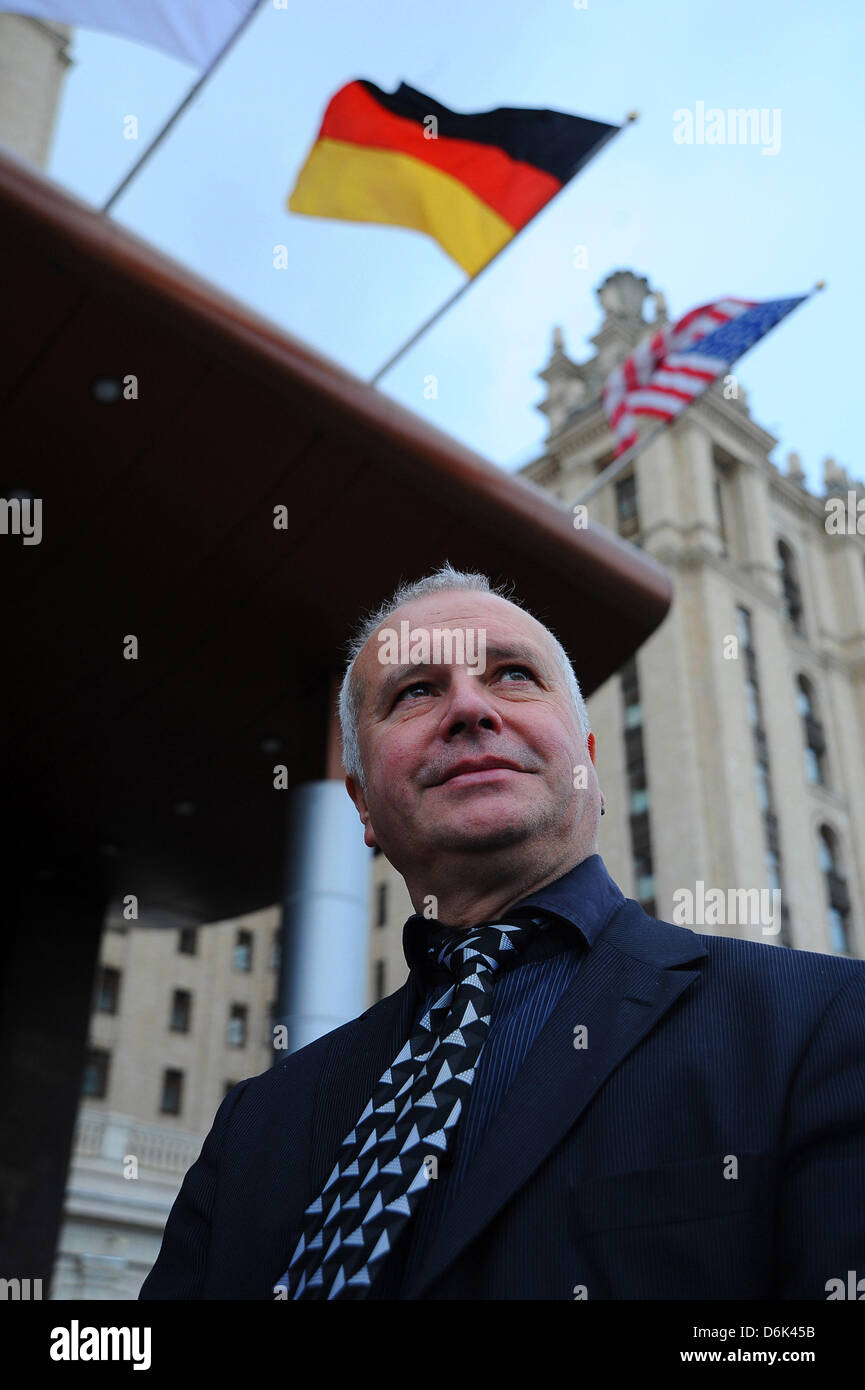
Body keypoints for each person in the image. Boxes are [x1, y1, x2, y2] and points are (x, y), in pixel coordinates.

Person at [139, 564, 865, 1300]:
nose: (468, 709)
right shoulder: (253, 1127)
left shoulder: (827, 1025)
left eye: (512, 674)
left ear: (588, 761)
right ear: (361, 805)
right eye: (415, 691)